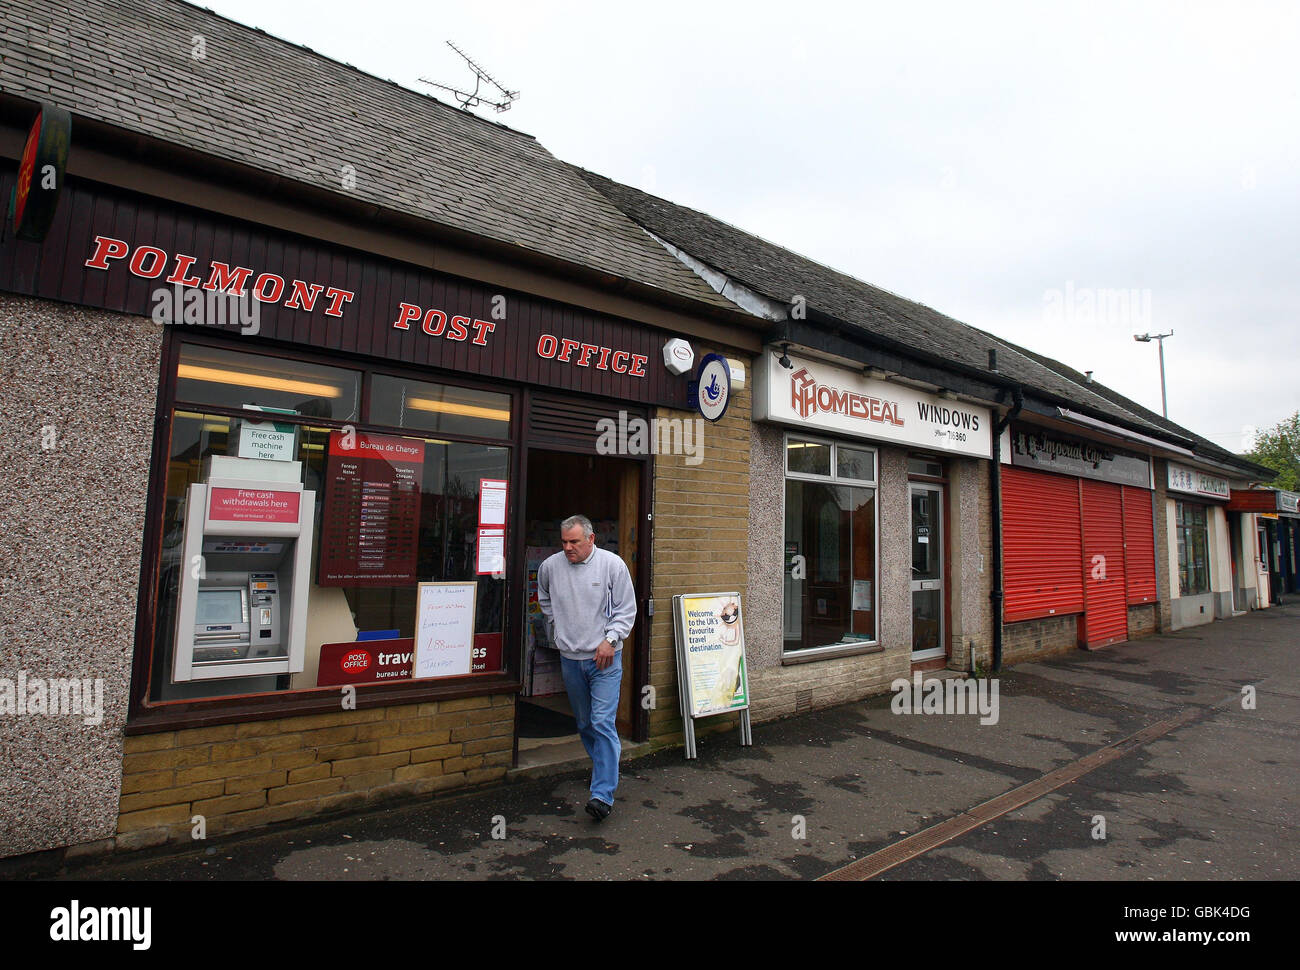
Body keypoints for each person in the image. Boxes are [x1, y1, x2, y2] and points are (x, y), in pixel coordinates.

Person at [536, 514, 636, 822]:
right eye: (564, 542)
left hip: (604, 658)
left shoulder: (612, 565)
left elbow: (625, 608)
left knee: (602, 721)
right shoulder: (550, 567)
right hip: (570, 658)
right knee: (584, 723)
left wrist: (611, 639)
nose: (568, 548)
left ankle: (602, 795)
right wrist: (558, 628)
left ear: (590, 539)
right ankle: (602, 771)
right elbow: (544, 600)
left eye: (574, 542)